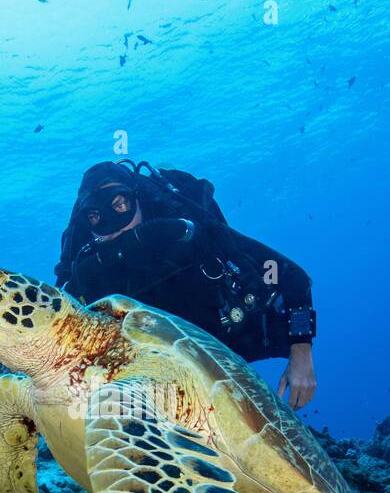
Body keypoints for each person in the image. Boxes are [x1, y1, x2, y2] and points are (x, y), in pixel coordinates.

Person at [53, 160, 319, 410]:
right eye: (96, 217)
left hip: (226, 344)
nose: (115, 227)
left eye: (120, 205)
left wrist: (301, 354)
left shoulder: (195, 234)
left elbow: (291, 276)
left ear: (138, 199)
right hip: (153, 385)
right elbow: (59, 327)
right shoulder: (91, 271)